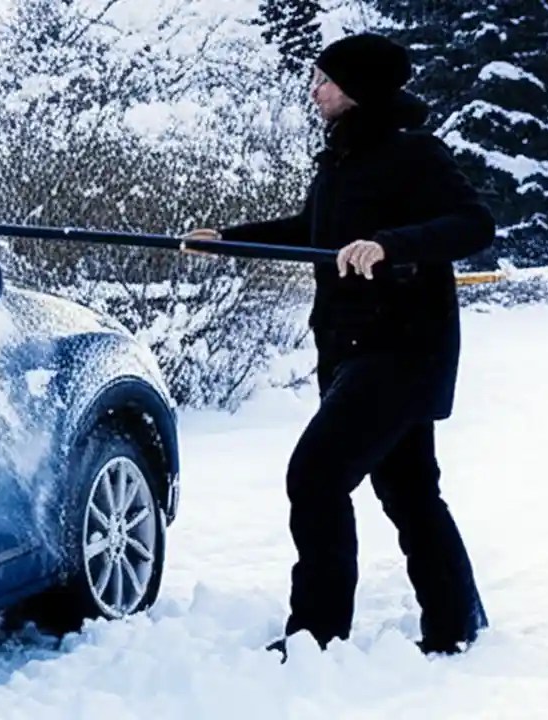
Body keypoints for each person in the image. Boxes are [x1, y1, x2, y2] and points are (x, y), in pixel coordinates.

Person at [185, 33, 494, 659]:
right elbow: (312, 233)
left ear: (358, 88)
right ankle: (457, 623)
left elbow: (473, 224)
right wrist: (230, 239)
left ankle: (317, 634)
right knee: (408, 491)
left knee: (317, 476)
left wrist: (391, 244)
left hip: (403, 350)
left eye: (324, 79)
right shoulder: (340, 161)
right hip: (349, 347)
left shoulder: (415, 154)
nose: (315, 89)